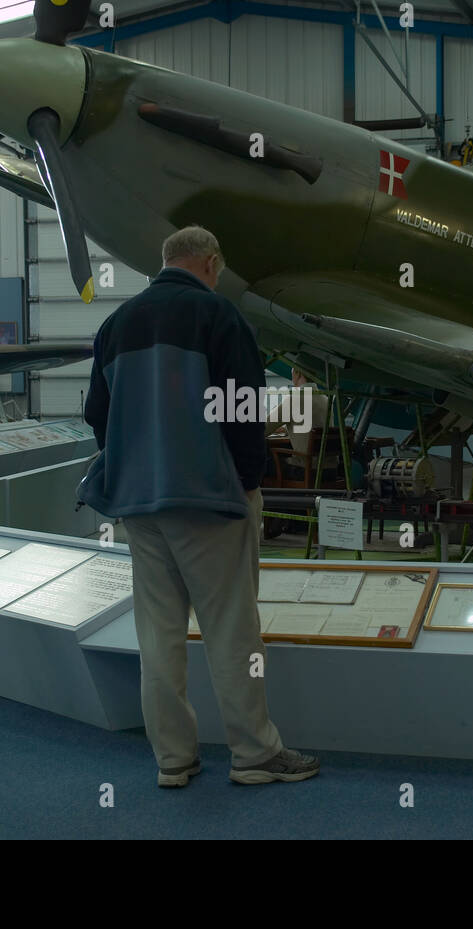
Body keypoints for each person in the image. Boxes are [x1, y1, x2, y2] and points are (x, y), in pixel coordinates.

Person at [79, 225, 320, 788]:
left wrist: (136, 468)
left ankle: (173, 761)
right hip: (210, 501)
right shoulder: (220, 317)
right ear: (210, 263)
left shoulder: (116, 325)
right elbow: (242, 411)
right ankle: (255, 755)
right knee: (232, 632)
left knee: (157, 636)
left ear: (166, 261)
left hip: (138, 505)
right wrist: (248, 482)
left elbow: (97, 416)